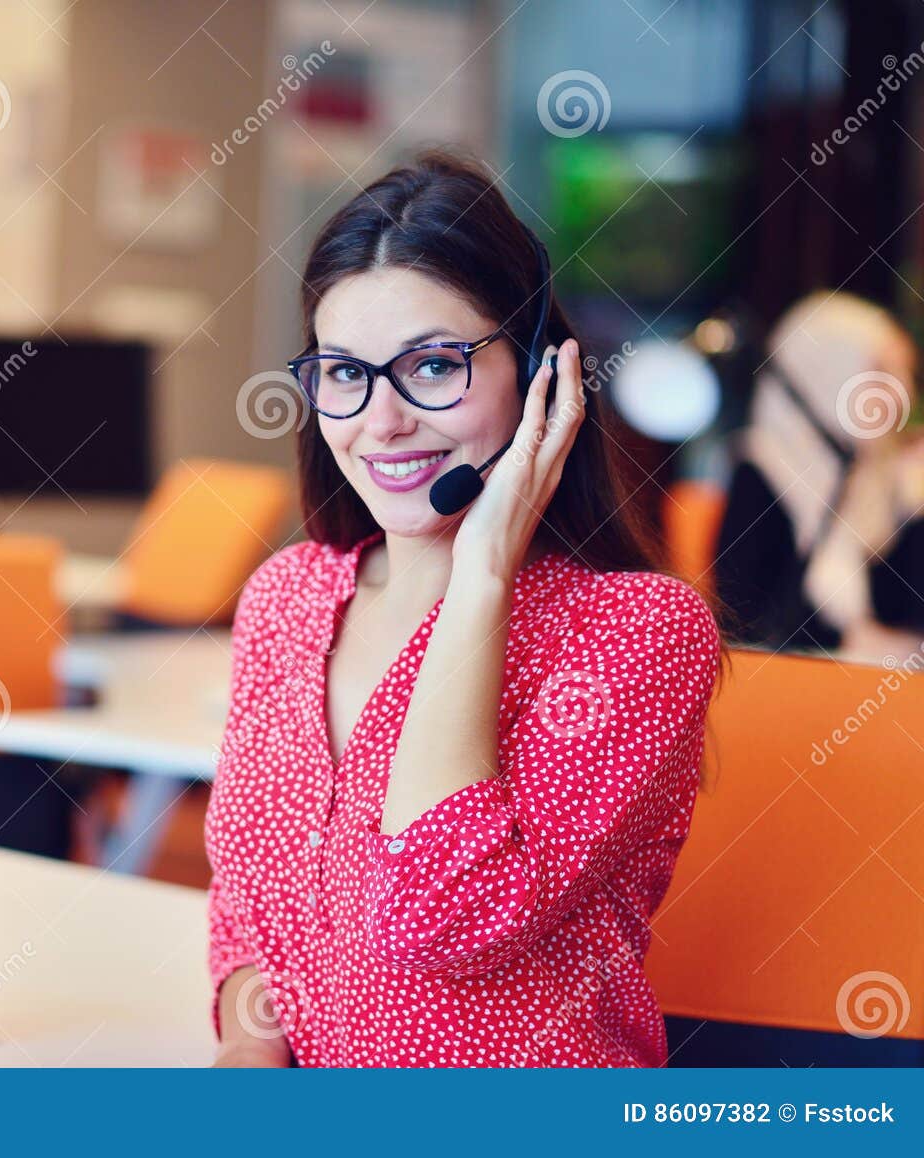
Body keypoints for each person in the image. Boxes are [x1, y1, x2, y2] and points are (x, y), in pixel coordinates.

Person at [204, 150, 723, 1068]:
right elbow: (249, 923)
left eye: (434, 366)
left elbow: (443, 914)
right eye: (343, 373)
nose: (382, 421)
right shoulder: (288, 600)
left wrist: (481, 571)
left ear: (537, 374)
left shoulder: (636, 634)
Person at [712, 291, 924, 661]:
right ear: (828, 375)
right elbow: (744, 634)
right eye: (880, 373)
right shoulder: (762, 474)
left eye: (906, 374)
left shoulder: (898, 482)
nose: (902, 391)